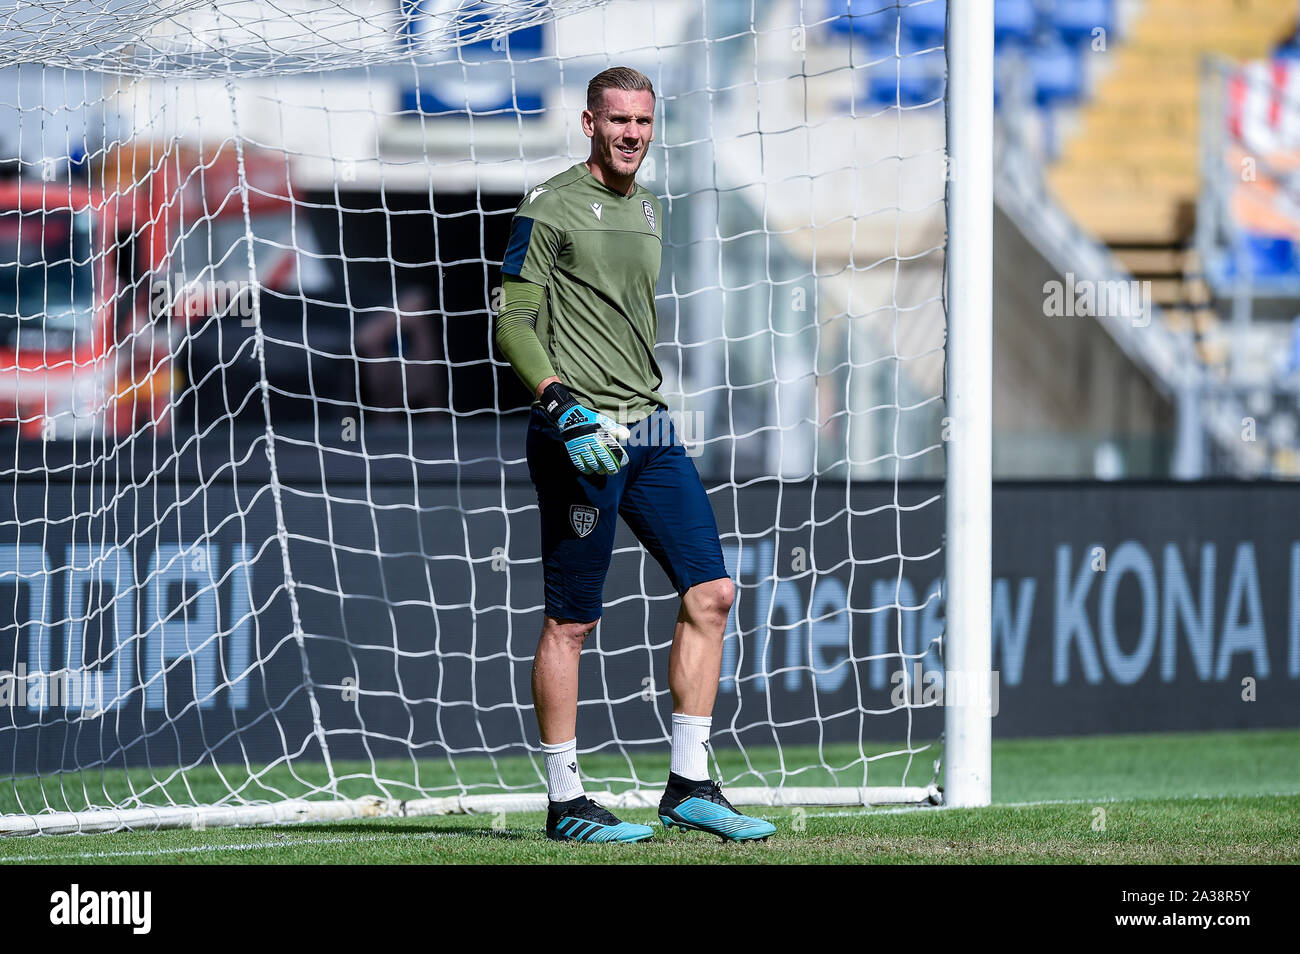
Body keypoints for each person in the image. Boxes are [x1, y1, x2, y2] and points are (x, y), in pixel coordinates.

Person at [494, 66, 776, 844]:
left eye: (644, 123)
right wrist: (560, 402)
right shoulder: (548, 207)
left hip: (649, 431)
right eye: (618, 121)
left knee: (713, 592)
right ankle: (564, 802)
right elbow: (512, 323)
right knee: (572, 622)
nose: (632, 135)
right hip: (578, 435)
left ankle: (688, 783)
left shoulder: (651, 210)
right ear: (589, 124)